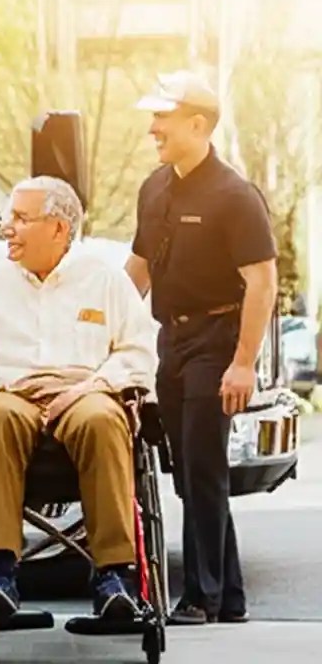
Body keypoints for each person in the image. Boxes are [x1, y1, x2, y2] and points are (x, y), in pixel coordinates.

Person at [0, 176, 158, 620]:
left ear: (59, 228)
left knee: (101, 420)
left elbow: (138, 352)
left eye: (21, 219)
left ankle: (115, 575)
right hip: (15, 393)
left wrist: (91, 387)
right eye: (8, 217)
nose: (7, 228)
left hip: (86, 392)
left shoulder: (104, 281)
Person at [126, 71, 277, 626]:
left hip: (217, 342)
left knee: (204, 467)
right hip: (173, 341)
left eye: (161, 119)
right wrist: (101, 326)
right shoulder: (154, 187)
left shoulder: (234, 196)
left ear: (197, 123)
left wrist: (243, 364)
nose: (152, 129)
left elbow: (262, 282)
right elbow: (139, 269)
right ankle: (228, 596)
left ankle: (198, 597)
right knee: (192, 472)